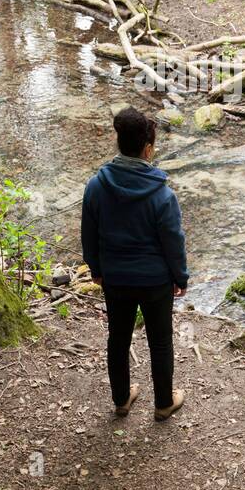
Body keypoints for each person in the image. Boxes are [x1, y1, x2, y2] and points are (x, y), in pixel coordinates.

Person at [81, 106, 188, 421]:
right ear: (148, 148)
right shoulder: (162, 195)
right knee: (160, 341)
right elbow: (173, 241)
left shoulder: (96, 187)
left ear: (119, 143)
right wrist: (180, 277)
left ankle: (122, 399)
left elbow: (89, 234)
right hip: (156, 281)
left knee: (118, 337)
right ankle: (164, 403)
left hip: (115, 278)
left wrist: (96, 269)